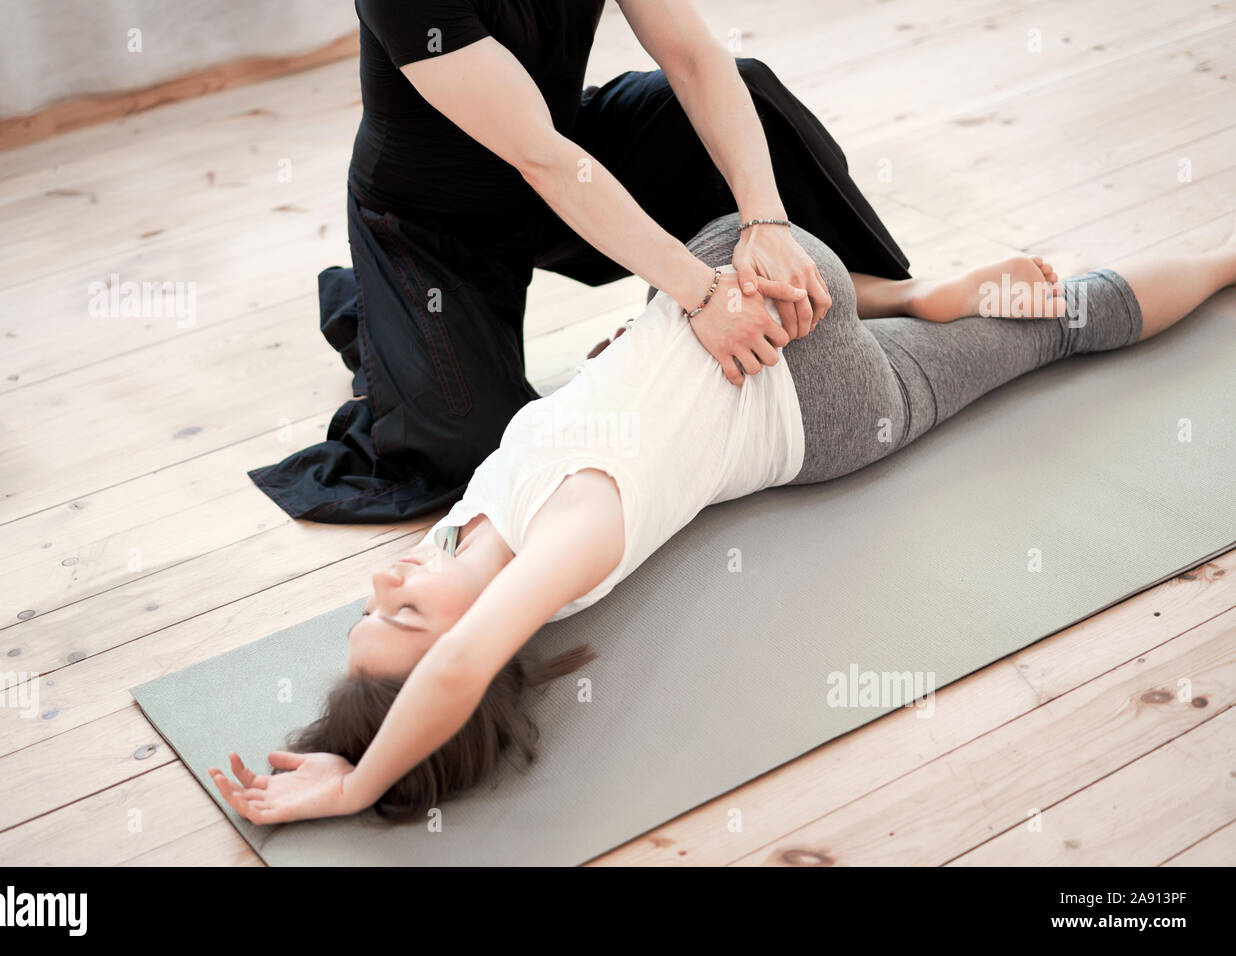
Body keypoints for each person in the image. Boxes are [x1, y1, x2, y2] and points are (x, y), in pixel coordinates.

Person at [210, 212, 1236, 824]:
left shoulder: (467, 532)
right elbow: (456, 669)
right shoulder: (575, 537)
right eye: (402, 613)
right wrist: (361, 785)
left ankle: (924, 297)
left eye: (369, 601)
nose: (387, 579)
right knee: (1049, 327)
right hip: (812, 376)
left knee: (1049, 327)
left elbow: (449, 634)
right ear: (474, 649)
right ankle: (1175, 266)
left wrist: (356, 746)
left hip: (741, 289)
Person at [246, 0, 912, 523]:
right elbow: (539, 158)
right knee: (475, 454)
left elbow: (695, 61)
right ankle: (366, 306)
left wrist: (763, 220)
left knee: (749, 89)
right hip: (431, 225)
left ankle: (862, 292)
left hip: (571, 162)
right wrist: (702, 296)